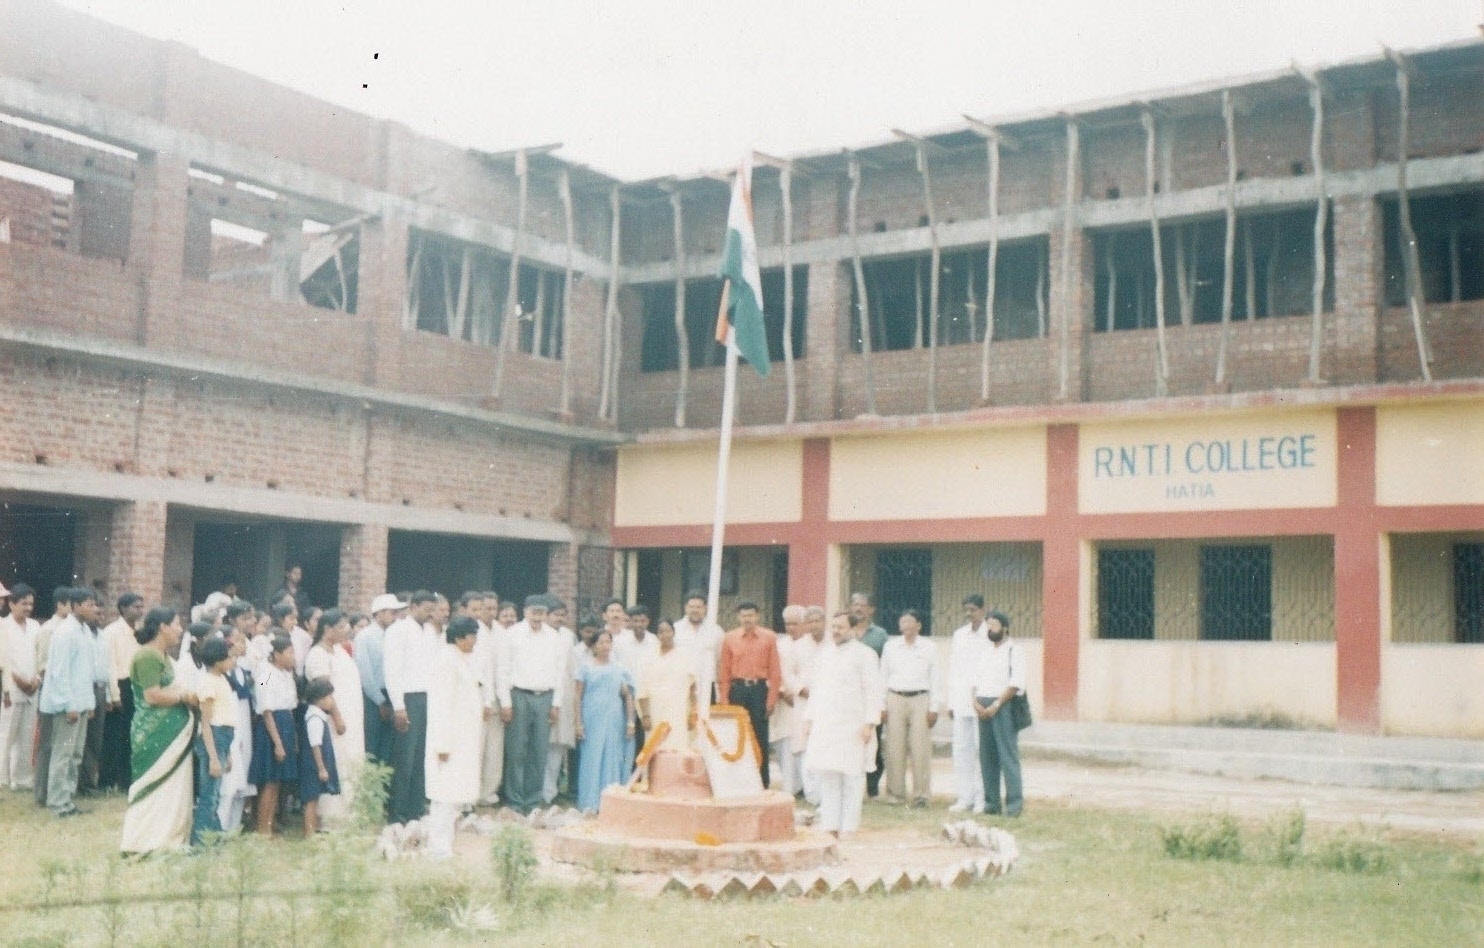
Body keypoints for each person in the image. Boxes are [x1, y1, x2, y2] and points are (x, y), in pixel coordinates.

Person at [120, 607, 199, 853]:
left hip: (173, 733)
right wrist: (183, 697)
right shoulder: (147, 656)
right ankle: (144, 842)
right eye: (176, 624)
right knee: (154, 787)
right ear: (163, 627)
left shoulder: (164, 656)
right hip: (153, 733)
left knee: (173, 789)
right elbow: (152, 696)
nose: (180, 630)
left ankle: (168, 840)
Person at [803, 611, 883, 839]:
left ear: (853, 629)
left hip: (853, 725)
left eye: (841, 627)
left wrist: (870, 723)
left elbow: (873, 691)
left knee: (852, 777)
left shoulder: (865, 655)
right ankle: (829, 825)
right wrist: (809, 719)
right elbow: (816, 690)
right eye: (834, 627)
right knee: (829, 775)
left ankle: (848, 827)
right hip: (826, 724)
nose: (836, 631)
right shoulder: (825, 654)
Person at [497, 595, 566, 814]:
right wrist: (506, 703)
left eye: (541, 613)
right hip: (519, 695)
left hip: (545, 697)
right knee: (517, 750)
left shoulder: (554, 637)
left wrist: (556, 704)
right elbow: (503, 670)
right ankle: (516, 801)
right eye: (534, 612)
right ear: (525, 612)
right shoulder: (512, 634)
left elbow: (560, 672)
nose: (537, 617)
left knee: (539, 750)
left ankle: (533, 801)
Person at [39, 588, 101, 817]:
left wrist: (89, 703)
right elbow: (59, 672)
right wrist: (68, 704)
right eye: (89, 604)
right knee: (63, 754)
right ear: (75, 606)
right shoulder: (65, 632)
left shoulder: (84, 631)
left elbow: (86, 671)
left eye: (94, 604)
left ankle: (68, 799)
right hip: (68, 705)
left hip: (82, 702)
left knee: (75, 755)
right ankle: (57, 802)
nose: (94, 608)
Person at [425, 616, 483, 859]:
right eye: (472, 636)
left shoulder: (460, 659)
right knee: (444, 796)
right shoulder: (446, 661)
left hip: (462, 740)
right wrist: (442, 744)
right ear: (459, 638)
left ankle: (445, 845)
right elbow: (441, 705)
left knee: (455, 795)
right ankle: (438, 848)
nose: (475, 641)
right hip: (449, 742)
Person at [383, 590, 439, 824]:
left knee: (421, 758)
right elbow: (392, 671)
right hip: (407, 699)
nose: (430, 614)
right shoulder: (398, 631)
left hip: (427, 698)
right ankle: (397, 813)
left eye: (433, 609)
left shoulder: (430, 632)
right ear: (413, 606)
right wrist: (399, 706)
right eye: (427, 609)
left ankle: (416, 810)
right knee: (404, 758)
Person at [717, 601, 781, 788]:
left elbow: (775, 672)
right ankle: (737, 781)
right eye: (744, 615)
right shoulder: (730, 638)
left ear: (757, 616)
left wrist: (771, 700)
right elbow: (724, 672)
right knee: (736, 736)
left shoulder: (769, 637)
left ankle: (761, 782)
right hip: (737, 690)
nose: (747, 619)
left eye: (751, 615)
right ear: (738, 617)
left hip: (759, 690)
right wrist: (724, 700)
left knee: (760, 735)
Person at [881, 608, 941, 807]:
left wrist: (934, 708)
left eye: (909, 621)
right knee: (894, 748)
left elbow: (935, 678)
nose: (905, 625)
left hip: (920, 699)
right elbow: (883, 676)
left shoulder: (929, 647)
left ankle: (921, 796)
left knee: (920, 749)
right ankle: (895, 795)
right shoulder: (891, 646)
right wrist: (882, 705)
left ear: (919, 625)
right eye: (903, 621)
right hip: (895, 698)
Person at [307, 609, 362, 826]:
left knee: (350, 761)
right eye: (341, 627)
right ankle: (331, 818)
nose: (346, 630)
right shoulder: (318, 654)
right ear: (327, 629)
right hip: (332, 720)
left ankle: (350, 813)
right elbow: (324, 691)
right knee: (336, 761)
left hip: (352, 717)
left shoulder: (339, 650)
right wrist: (337, 717)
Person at [573, 630, 635, 814]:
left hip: (614, 719)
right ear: (593, 646)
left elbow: (628, 697)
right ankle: (590, 803)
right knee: (591, 759)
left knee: (612, 757)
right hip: (592, 719)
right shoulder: (585, 668)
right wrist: (578, 723)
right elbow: (577, 697)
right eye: (600, 642)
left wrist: (630, 722)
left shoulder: (620, 669)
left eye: (608, 642)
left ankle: (611, 803)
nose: (605, 646)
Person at [972, 610, 1026, 818]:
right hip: (983, 706)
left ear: (1005, 628)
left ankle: (1013, 806)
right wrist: (975, 702)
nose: (990, 628)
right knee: (987, 758)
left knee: (1007, 756)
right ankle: (991, 804)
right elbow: (975, 680)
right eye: (988, 625)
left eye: (994, 625)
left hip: (1003, 705)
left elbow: (1016, 683)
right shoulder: (985, 652)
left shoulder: (1014, 650)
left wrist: (996, 704)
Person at [249, 636, 299, 837]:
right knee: (270, 780)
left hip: (285, 723)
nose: (293, 657)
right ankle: (263, 829)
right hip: (272, 727)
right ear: (277, 654)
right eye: (289, 652)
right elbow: (266, 709)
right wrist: (277, 742)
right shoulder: (266, 674)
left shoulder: (286, 674)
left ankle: (269, 824)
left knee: (278, 780)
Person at [33, 586, 77, 808]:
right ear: (60, 604)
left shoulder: (72, 629)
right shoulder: (49, 630)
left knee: (58, 746)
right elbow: (42, 664)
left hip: (64, 689)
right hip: (51, 691)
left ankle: (52, 791)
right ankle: (41, 792)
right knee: (47, 744)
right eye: (70, 604)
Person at [191, 635, 235, 846]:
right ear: (217, 660)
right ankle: (200, 843)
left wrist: (228, 753)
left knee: (215, 794)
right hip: (214, 737)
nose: (232, 661)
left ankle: (215, 837)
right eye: (228, 658)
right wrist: (214, 758)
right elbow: (206, 723)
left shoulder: (222, 679)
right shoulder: (208, 682)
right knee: (209, 795)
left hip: (224, 737)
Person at [947, 595, 989, 813]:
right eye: (966, 610)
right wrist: (951, 702)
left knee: (981, 751)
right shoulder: (959, 635)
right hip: (961, 700)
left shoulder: (990, 634)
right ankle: (965, 798)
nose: (969, 614)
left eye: (973, 609)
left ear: (982, 610)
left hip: (982, 700)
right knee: (961, 751)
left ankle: (982, 799)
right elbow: (954, 668)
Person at [218, 603, 257, 833]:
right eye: (240, 641)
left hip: (243, 718)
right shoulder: (223, 671)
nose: (244, 645)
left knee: (244, 765)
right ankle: (221, 825)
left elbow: (259, 683)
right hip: (230, 719)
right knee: (230, 775)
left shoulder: (241, 669)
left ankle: (234, 825)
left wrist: (264, 675)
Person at [99, 592, 145, 792]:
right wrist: (114, 695)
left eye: (141, 607)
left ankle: (125, 781)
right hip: (120, 685)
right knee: (114, 737)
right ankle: (107, 782)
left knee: (130, 736)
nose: (140, 611)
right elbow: (109, 665)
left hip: (136, 685)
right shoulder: (112, 632)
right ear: (123, 609)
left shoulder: (140, 632)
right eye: (136, 607)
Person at [0, 583, 41, 791]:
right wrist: (20, 682)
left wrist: (36, 680)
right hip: (12, 688)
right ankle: (3, 778)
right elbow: (4, 661)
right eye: (23, 603)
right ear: (11, 604)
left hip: (33, 688)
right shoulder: (3, 626)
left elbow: (40, 656)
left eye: (31, 604)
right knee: (7, 734)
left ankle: (23, 778)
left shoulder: (35, 626)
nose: (28, 608)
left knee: (27, 735)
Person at [849, 592, 889, 797]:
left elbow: (885, 668)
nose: (857, 608)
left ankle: (872, 787)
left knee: (873, 741)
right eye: (854, 604)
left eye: (862, 605)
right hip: (849, 697)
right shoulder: (845, 631)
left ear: (871, 610)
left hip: (871, 696)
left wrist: (882, 703)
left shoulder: (880, 635)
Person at [637, 618, 696, 754]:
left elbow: (693, 687)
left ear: (674, 632)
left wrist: (693, 712)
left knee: (678, 745)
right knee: (655, 746)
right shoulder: (648, 657)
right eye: (661, 632)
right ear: (656, 634)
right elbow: (642, 687)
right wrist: (645, 716)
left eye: (668, 631)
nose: (665, 635)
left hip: (679, 709)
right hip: (655, 709)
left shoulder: (685, 655)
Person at [356, 594, 401, 766]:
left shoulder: (394, 635)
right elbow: (365, 674)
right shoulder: (365, 637)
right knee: (372, 745)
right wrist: (380, 701)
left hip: (392, 693)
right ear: (380, 613)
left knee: (388, 748)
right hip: (373, 696)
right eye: (392, 612)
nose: (395, 617)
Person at [472, 592, 505, 807]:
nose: (491, 613)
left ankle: (488, 793)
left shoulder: (501, 632)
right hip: (478, 696)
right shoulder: (473, 630)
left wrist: (505, 701)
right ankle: (471, 793)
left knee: (494, 748)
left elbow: (503, 669)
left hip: (498, 697)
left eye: (494, 608)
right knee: (476, 746)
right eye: (487, 608)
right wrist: (485, 700)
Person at [543, 597, 578, 805]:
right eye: (556, 614)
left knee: (557, 745)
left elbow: (572, 669)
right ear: (547, 615)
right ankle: (538, 790)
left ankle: (550, 792)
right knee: (540, 744)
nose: (560, 618)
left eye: (563, 615)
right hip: (544, 693)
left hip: (564, 696)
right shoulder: (541, 635)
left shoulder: (568, 636)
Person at [792, 606, 828, 805]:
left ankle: (824, 792)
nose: (814, 625)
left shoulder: (833, 645)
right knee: (804, 744)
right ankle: (810, 792)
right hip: (803, 701)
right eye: (810, 622)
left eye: (817, 621)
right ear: (805, 625)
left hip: (827, 703)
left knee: (824, 743)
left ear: (824, 622)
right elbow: (788, 673)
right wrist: (800, 689)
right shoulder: (798, 646)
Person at [769, 605, 806, 795]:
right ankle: (791, 787)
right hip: (785, 702)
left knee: (804, 743)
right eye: (788, 624)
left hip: (806, 701)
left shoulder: (811, 645)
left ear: (804, 624)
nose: (791, 628)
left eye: (795, 624)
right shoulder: (780, 645)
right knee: (785, 743)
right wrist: (783, 692)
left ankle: (807, 786)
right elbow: (773, 672)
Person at [299, 678, 341, 837]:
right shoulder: (314, 719)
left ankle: (314, 828)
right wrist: (321, 768)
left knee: (315, 797)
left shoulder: (319, 715)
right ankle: (309, 832)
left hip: (316, 764)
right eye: (329, 697)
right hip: (313, 765)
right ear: (319, 700)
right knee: (311, 799)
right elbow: (315, 745)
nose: (332, 701)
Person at [671, 590, 723, 707]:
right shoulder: (675, 629)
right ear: (685, 608)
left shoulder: (715, 631)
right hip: (681, 685)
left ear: (705, 608)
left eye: (698, 607)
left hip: (707, 685)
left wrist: (719, 690)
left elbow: (720, 661)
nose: (695, 610)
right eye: (691, 607)